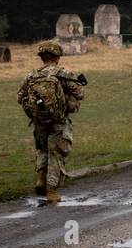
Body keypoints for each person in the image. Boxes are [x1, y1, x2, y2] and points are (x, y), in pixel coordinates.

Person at [17, 40, 88, 205]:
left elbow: (20, 97)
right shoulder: (63, 73)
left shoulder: (31, 75)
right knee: (56, 153)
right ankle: (51, 190)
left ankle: (40, 179)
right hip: (59, 121)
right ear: (57, 57)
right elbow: (80, 93)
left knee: (42, 150)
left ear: (42, 57)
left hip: (38, 121)